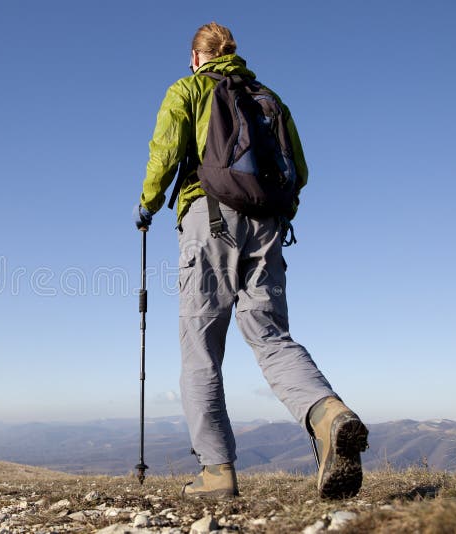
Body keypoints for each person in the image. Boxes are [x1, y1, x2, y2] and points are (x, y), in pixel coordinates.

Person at [132, 22, 368, 500]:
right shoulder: (269, 100)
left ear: (197, 56)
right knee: (270, 335)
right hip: (267, 228)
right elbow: (298, 171)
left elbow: (165, 150)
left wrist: (147, 205)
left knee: (201, 350)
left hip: (209, 219)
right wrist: (276, 216)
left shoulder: (191, 88)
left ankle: (217, 473)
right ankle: (327, 413)